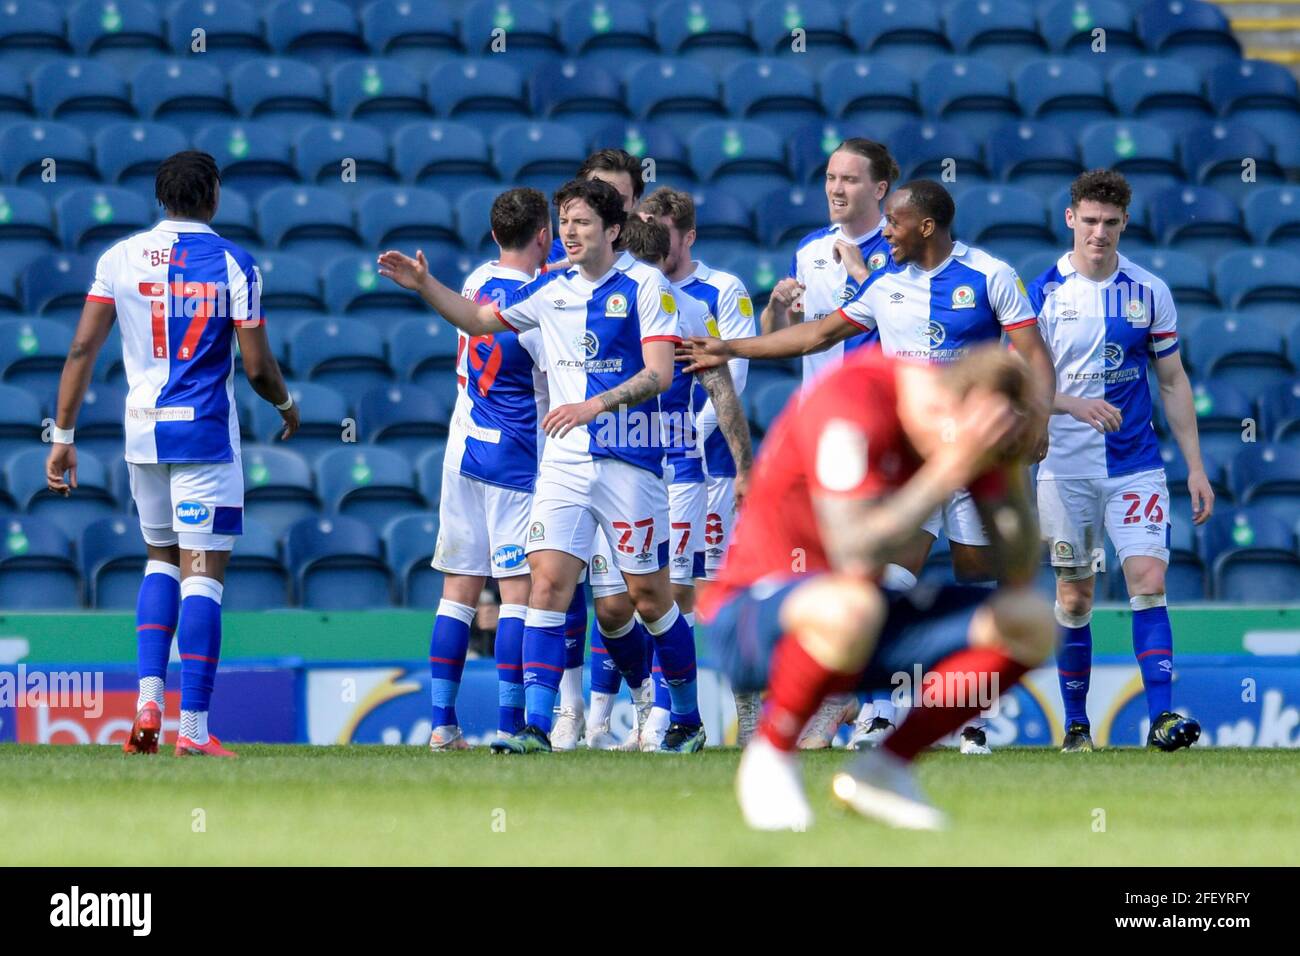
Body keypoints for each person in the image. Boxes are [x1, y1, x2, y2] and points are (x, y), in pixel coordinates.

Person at [686, 179, 1057, 754]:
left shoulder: (990, 275)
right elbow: (818, 334)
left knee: (985, 576)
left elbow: (1032, 354)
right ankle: (873, 715)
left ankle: (968, 722)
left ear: (925, 226)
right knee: (882, 574)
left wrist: (1033, 429)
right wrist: (733, 347)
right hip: (910, 450)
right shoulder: (882, 295)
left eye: (894, 223)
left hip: (971, 441)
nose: (885, 232)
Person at [378, 178, 706, 754]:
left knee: (650, 598)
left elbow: (659, 372)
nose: (571, 233)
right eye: (565, 222)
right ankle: (533, 725)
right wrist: (425, 284)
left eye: (582, 222)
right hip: (563, 464)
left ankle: (687, 716)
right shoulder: (550, 290)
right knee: (548, 586)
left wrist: (592, 405)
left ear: (611, 229)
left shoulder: (647, 284)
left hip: (630, 461)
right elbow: (480, 321)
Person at [698, 345, 1053, 831]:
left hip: (855, 617)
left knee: (1029, 621)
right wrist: (951, 467)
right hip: (750, 613)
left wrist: (1006, 472)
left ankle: (883, 770)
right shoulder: (853, 398)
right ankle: (771, 758)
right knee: (852, 604)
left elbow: (1018, 572)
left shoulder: (958, 423)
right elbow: (854, 551)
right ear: (945, 409)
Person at [45, 150, 298, 758]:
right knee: (203, 573)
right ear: (213, 196)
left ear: (162, 198)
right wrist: (287, 405)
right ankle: (192, 730)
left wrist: (63, 436)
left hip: (142, 433)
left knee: (160, 559)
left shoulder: (119, 259)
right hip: (205, 435)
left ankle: (147, 702)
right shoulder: (235, 263)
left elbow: (82, 349)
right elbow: (259, 368)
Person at [1028, 169, 1210, 752]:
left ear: (1124, 223)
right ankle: (1077, 726)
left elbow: (1174, 381)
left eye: (1110, 223)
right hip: (1064, 467)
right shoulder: (1044, 291)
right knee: (1074, 597)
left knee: (1148, 581)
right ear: (1070, 219)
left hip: (1135, 464)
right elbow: (1020, 383)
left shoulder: (1149, 291)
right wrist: (1071, 404)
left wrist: (1196, 466)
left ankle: (1161, 720)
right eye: (1089, 221)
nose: (1099, 233)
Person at [587, 216, 751, 751]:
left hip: (677, 468)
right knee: (615, 603)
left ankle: (670, 717)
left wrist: (744, 464)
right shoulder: (600, 304)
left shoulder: (691, 312)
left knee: (673, 594)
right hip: (612, 465)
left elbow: (722, 389)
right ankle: (633, 708)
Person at [423, 187, 551, 750]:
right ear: (543, 235)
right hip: (515, 455)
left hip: (462, 446)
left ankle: (442, 726)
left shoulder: (475, 282)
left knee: (458, 589)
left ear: (496, 235)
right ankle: (507, 726)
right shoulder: (545, 300)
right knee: (517, 591)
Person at [639, 185, 763, 743]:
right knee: (671, 591)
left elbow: (731, 376)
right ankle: (670, 714)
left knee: (721, 594)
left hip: (706, 467)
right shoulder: (635, 293)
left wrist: (688, 434)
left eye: (660, 234)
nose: (648, 242)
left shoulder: (719, 291)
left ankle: (753, 714)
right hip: (653, 467)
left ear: (686, 236)